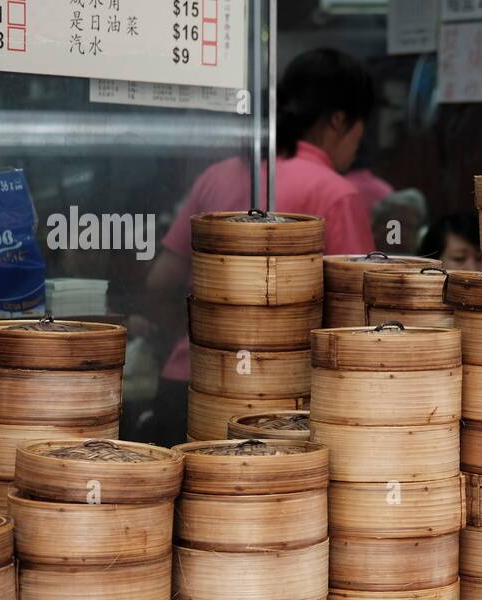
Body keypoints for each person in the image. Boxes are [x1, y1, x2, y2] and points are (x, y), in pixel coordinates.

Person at [142, 48, 376, 443]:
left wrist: (210, 344)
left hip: (186, 387)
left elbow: (159, 285)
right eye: (361, 126)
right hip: (278, 409)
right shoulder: (335, 193)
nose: (360, 141)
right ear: (339, 120)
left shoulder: (216, 176)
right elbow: (358, 326)